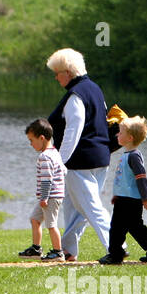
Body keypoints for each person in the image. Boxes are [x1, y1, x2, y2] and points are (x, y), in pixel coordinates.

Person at [44, 48, 114, 261]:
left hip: (79, 161)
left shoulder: (76, 96)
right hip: (100, 157)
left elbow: (73, 131)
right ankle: (68, 249)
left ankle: (116, 246)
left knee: (91, 206)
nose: (56, 77)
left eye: (57, 73)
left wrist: (59, 162)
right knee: (76, 207)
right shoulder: (94, 89)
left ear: (68, 72)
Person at [99, 115, 147, 264]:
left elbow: (141, 178)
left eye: (120, 132)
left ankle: (116, 255)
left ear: (129, 138)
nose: (117, 134)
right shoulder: (126, 154)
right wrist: (117, 195)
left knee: (119, 228)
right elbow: (123, 180)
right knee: (132, 228)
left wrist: (145, 198)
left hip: (131, 201)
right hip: (123, 199)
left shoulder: (134, 156)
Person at [18, 118, 69, 261]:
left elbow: (47, 179)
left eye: (31, 140)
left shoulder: (45, 156)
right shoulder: (55, 153)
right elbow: (63, 171)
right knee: (34, 219)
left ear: (41, 138)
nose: (31, 144)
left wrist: (45, 197)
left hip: (50, 197)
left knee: (51, 224)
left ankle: (58, 252)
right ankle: (36, 248)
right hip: (51, 196)